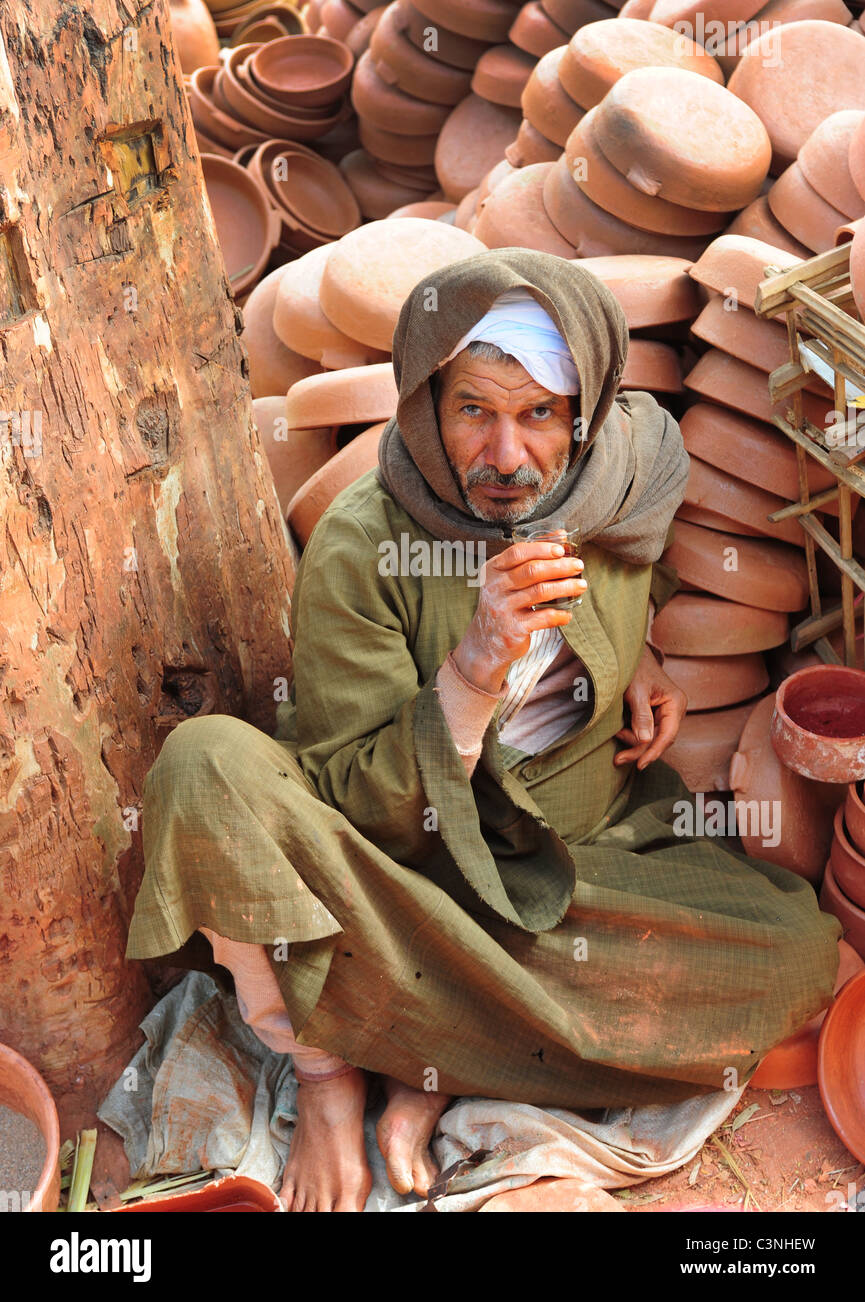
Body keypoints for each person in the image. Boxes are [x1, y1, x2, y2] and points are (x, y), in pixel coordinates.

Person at [126, 249, 840, 1213]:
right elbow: (346, 796)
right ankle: (339, 1078)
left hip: (579, 855)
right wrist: (472, 670)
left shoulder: (629, 471)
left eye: (539, 412)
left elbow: (647, 569)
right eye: (474, 410)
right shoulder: (363, 542)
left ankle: (430, 1061)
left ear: (585, 411)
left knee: (795, 954)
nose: (506, 457)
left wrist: (639, 660)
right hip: (408, 874)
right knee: (204, 761)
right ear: (426, 404)